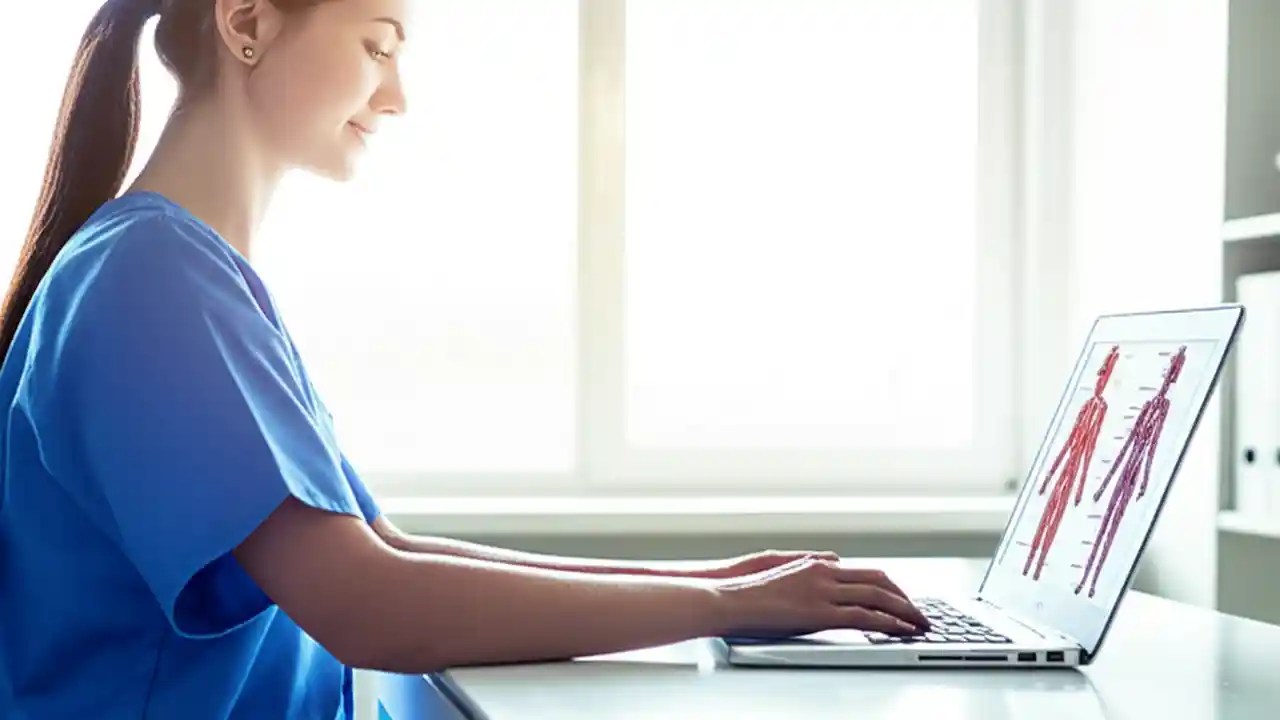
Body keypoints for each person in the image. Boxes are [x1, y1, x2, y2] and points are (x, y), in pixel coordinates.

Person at [0, 1, 930, 717]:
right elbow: (368, 604)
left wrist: (717, 583)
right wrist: (726, 611)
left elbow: (380, 551)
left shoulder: (174, 269)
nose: (396, 94)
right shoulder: (152, 281)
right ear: (246, 23)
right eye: (378, 44)